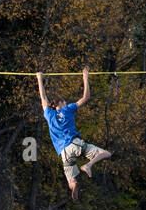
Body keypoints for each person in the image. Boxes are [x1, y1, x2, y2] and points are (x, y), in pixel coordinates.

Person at [36, 68, 111, 201]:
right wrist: (85, 77)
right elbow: (86, 97)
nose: (66, 103)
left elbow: (43, 97)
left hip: (64, 152)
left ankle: (75, 186)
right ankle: (88, 165)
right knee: (105, 154)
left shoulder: (49, 115)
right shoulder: (67, 109)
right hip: (76, 144)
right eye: (64, 102)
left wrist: (39, 79)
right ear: (61, 103)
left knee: (72, 181)